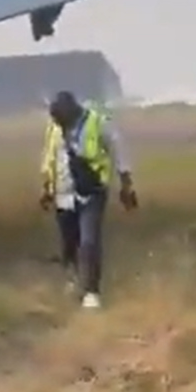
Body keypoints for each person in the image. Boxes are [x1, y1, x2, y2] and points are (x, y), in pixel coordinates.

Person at [39, 91, 138, 309]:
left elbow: (118, 152)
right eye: (56, 120)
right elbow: (49, 158)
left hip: (92, 191)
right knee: (69, 243)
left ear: (72, 112)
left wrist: (126, 187)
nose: (58, 124)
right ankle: (75, 279)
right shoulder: (54, 127)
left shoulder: (98, 123)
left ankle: (91, 290)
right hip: (63, 194)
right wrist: (46, 189)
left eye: (61, 120)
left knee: (89, 241)